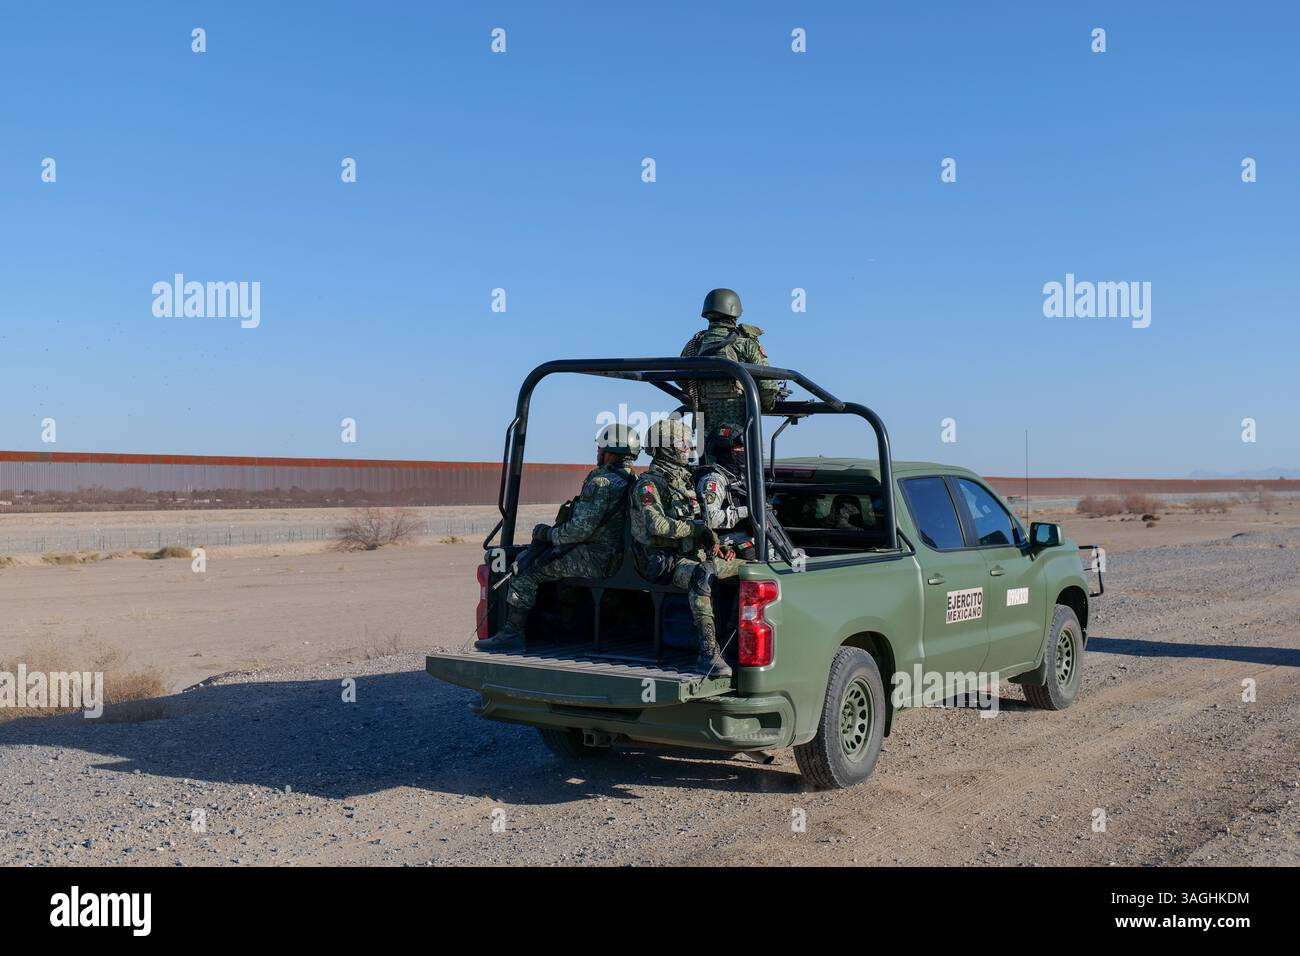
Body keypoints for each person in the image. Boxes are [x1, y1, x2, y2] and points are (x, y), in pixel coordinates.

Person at [475, 424, 640, 652]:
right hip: (620, 558)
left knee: (526, 572)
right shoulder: (634, 481)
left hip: (597, 559)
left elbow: (577, 531)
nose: (597, 452)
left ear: (609, 451)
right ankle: (572, 627)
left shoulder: (602, 482)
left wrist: (547, 533)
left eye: (600, 447)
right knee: (562, 577)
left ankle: (512, 634)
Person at [630, 418, 741, 678]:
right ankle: (707, 653)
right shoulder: (648, 485)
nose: (688, 449)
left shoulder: (685, 482)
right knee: (702, 575)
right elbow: (656, 524)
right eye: (682, 444)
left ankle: (733, 642)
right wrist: (696, 530)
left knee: (751, 569)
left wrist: (715, 543)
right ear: (666, 448)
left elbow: (701, 520)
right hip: (662, 561)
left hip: (691, 554)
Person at [680, 288, 779, 438]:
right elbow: (767, 386)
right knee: (745, 460)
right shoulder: (746, 344)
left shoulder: (695, 345)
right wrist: (764, 405)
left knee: (708, 460)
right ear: (735, 310)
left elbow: (680, 378)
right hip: (740, 430)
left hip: (706, 433)